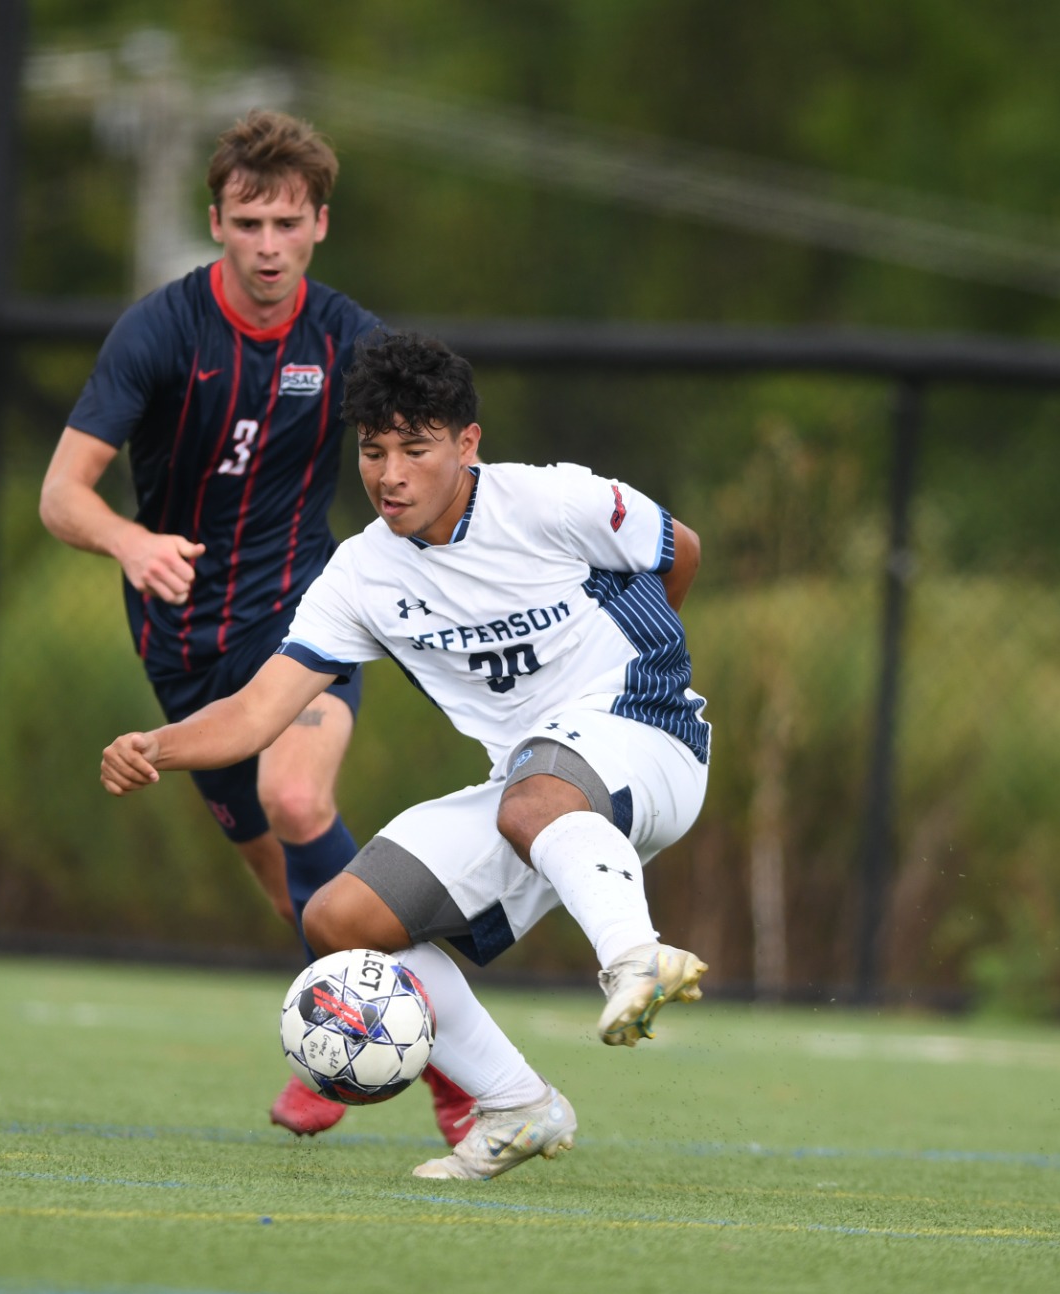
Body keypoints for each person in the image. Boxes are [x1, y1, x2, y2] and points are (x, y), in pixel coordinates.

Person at [100, 330, 713, 1180]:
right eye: (373, 450)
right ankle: (517, 1103)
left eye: (415, 449)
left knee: (534, 794)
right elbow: (255, 712)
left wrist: (640, 664)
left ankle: (634, 956)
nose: (390, 474)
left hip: (650, 739)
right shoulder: (361, 575)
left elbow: (678, 551)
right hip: (533, 789)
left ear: (468, 444)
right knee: (341, 923)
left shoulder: (552, 501)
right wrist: (155, 746)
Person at [40, 110, 473, 1142]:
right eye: (248, 223)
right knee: (301, 893)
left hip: (303, 613)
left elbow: (433, 445)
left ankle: (440, 1072)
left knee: (292, 792)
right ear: (215, 224)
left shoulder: (347, 339)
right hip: (182, 645)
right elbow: (62, 495)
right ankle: (413, 1037)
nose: (268, 245)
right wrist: (131, 544)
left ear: (319, 224)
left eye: (287, 223)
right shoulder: (160, 331)